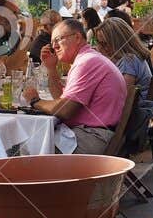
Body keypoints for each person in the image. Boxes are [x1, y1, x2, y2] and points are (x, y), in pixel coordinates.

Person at [22, 19, 127, 155]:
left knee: (22, 147)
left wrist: (35, 101)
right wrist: (51, 68)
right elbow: (62, 100)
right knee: (28, 143)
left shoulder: (87, 62)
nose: (54, 46)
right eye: (52, 42)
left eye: (58, 40)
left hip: (91, 137)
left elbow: (65, 110)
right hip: (89, 133)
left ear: (77, 37)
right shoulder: (87, 58)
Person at [94, 16, 153, 126]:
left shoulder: (128, 62)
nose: (99, 47)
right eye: (98, 42)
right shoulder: (130, 58)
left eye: (104, 43)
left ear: (118, 42)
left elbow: (120, 96)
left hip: (128, 119)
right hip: (130, 115)